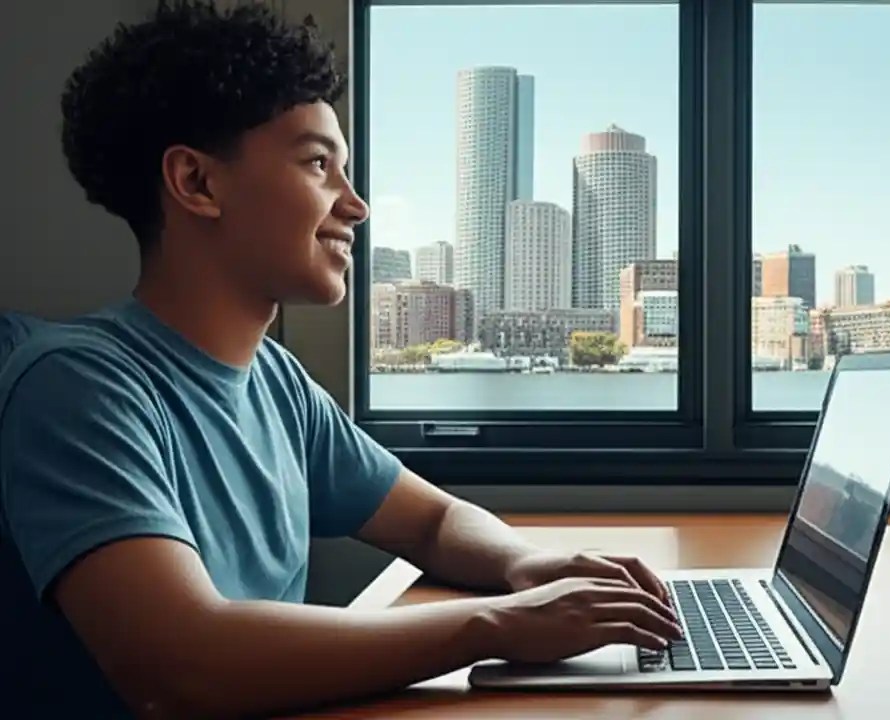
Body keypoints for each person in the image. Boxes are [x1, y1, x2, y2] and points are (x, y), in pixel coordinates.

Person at [0, 2, 681, 717]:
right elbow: (180, 664)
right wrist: (497, 626)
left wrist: (527, 562)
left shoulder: (276, 382)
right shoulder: (75, 389)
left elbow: (431, 522)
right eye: (318, 164)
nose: (355, 205)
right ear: (197, 184)